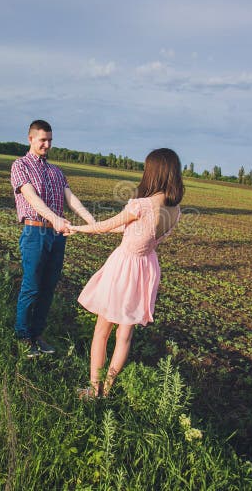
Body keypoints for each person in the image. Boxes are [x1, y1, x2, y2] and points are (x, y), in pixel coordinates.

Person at [68, 148, 184, 398]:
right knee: (125, 335)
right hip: (146, 269)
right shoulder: (175, 211)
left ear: (153, 172)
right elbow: (129, 232)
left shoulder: (141, 205)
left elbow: (108, 226)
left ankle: (94, 389)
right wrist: (91, 227)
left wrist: (75, 228)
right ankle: (107, 391)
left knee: (102, 331)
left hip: (124, 269)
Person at [10, 120, 96, 358]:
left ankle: (37, 334)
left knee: (48, 288)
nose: (47, 145)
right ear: (30, 139)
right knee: (32, 287)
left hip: (57, 237)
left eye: (50, 140)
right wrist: (55, 218)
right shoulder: (20, 165)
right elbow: (31, 197)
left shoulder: (56, 171)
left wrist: (92, 222)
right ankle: (23, 337)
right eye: (42, 140)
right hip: (35, 232)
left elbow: (71, 199)